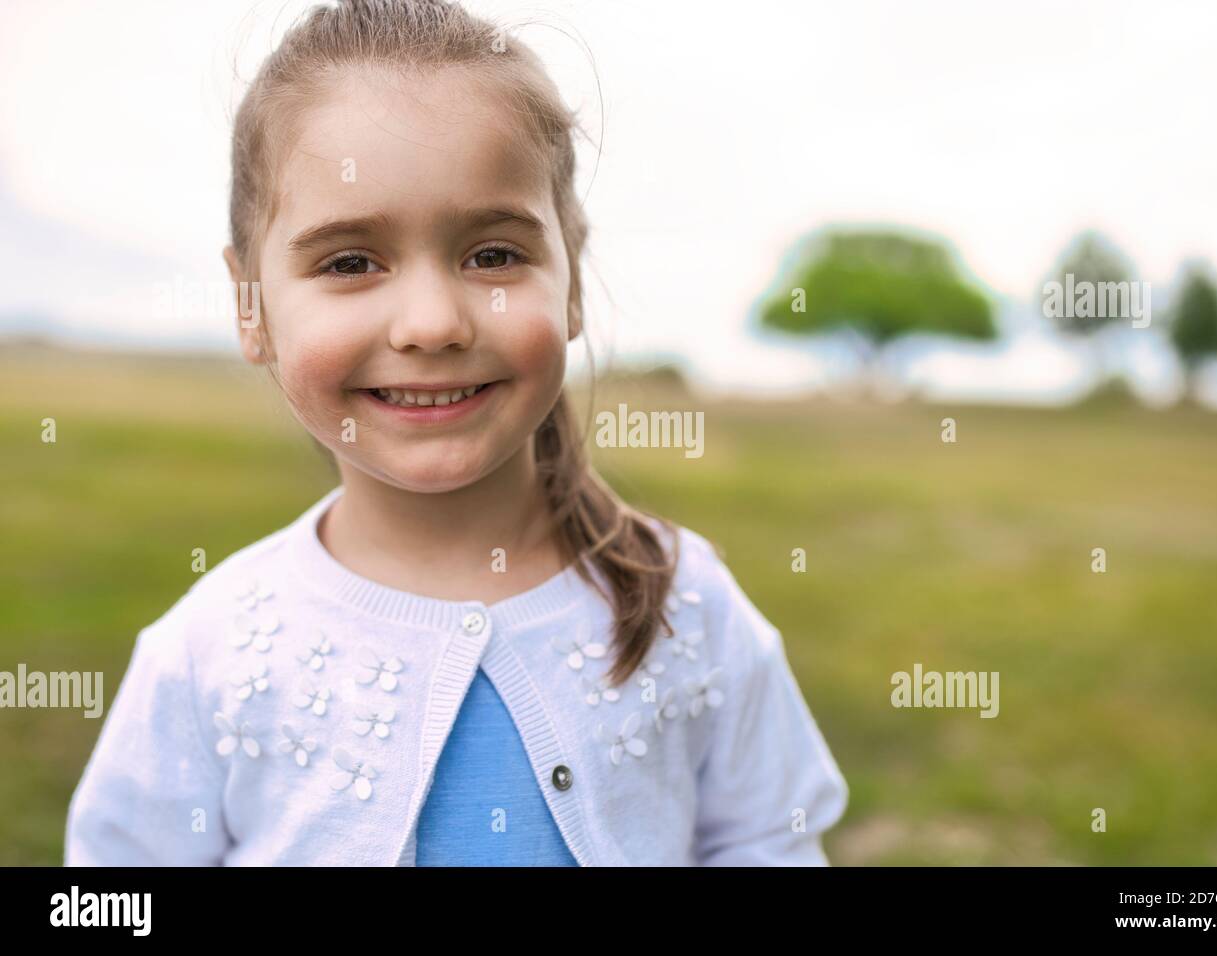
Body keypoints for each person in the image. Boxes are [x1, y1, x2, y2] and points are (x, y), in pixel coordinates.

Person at [64, 0, 848, 866]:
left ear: (572, 283)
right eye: (350, 262)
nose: (432, 323)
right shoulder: (205, 651)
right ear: (250, 303)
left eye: (492, 255)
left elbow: (767, 843)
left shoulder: (685, 604)